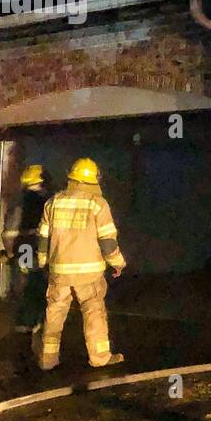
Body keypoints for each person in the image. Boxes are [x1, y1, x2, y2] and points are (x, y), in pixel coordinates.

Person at [36, 157, 127, 370]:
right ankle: (100, 357)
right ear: (94, 179)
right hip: (89, 274)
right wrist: (118, 263)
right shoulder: (97, 204)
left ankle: (48, 360)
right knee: (93, 313)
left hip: (59, 272)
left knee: (54, 315)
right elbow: (107, 242)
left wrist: (43, 262)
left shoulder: (54, 202)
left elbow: (43, 238)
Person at [1, 164, 52, 363]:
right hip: (40, 249)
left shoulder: (19, 201)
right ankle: (36, 323)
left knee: (24, 285)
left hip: (23, 249)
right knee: (38, 284)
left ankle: (24, 325)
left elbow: (9, 232)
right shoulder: (48, 201)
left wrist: (11, 252)